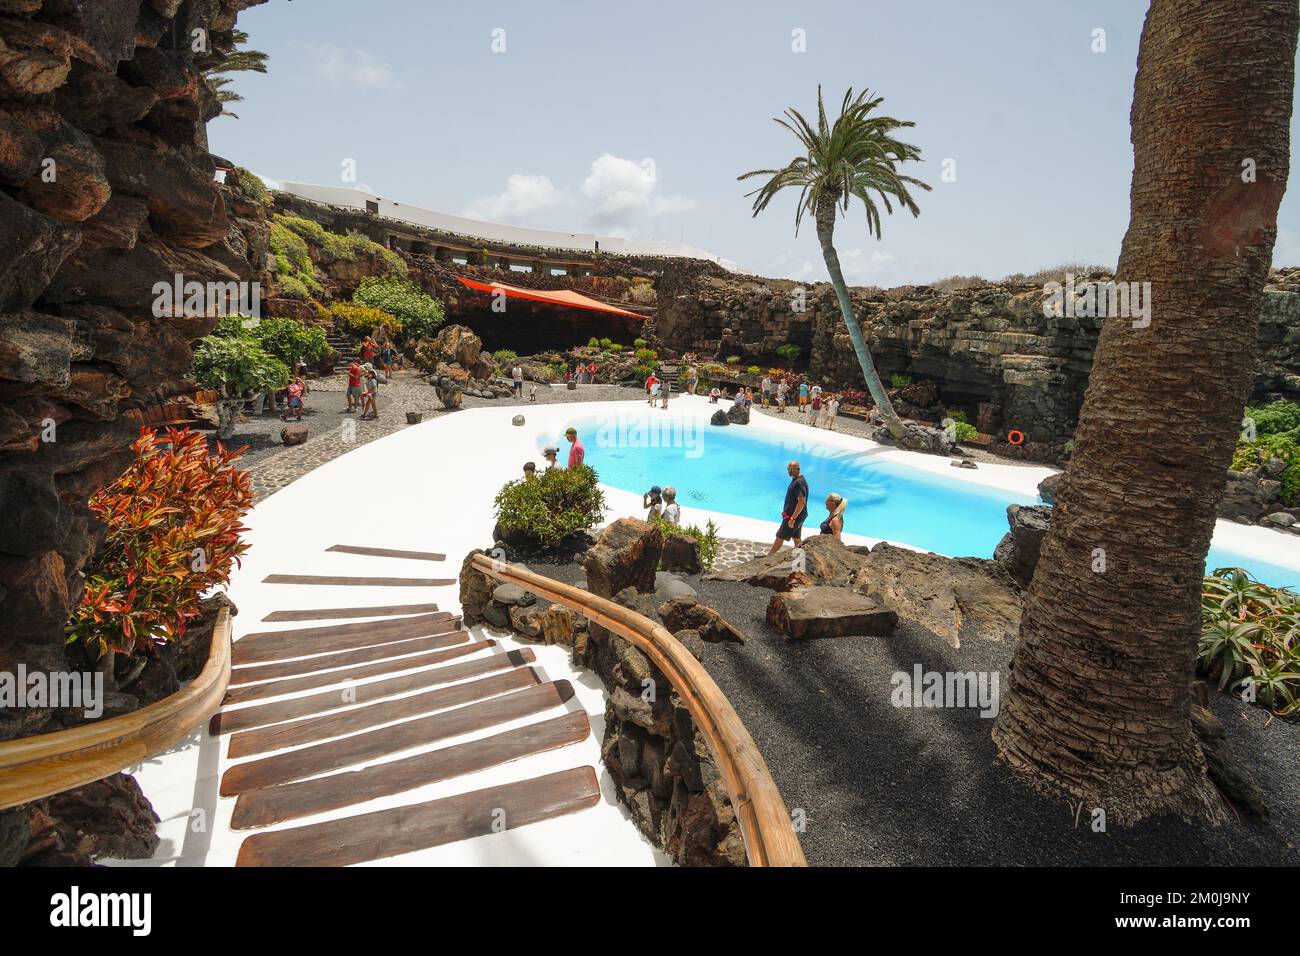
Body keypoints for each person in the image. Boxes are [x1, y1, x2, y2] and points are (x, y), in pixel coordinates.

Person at [769, 460, 808, 554]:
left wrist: (793, 518)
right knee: (796, 537)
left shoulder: (800, 483)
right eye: (788, 469)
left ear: (798, 469)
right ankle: (801, 559)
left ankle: (769, 556)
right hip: (795, 515)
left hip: (793, 516)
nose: (789, 471)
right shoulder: (796, 480)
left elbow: (801, 502)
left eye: (791, 469)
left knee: (780, 536)